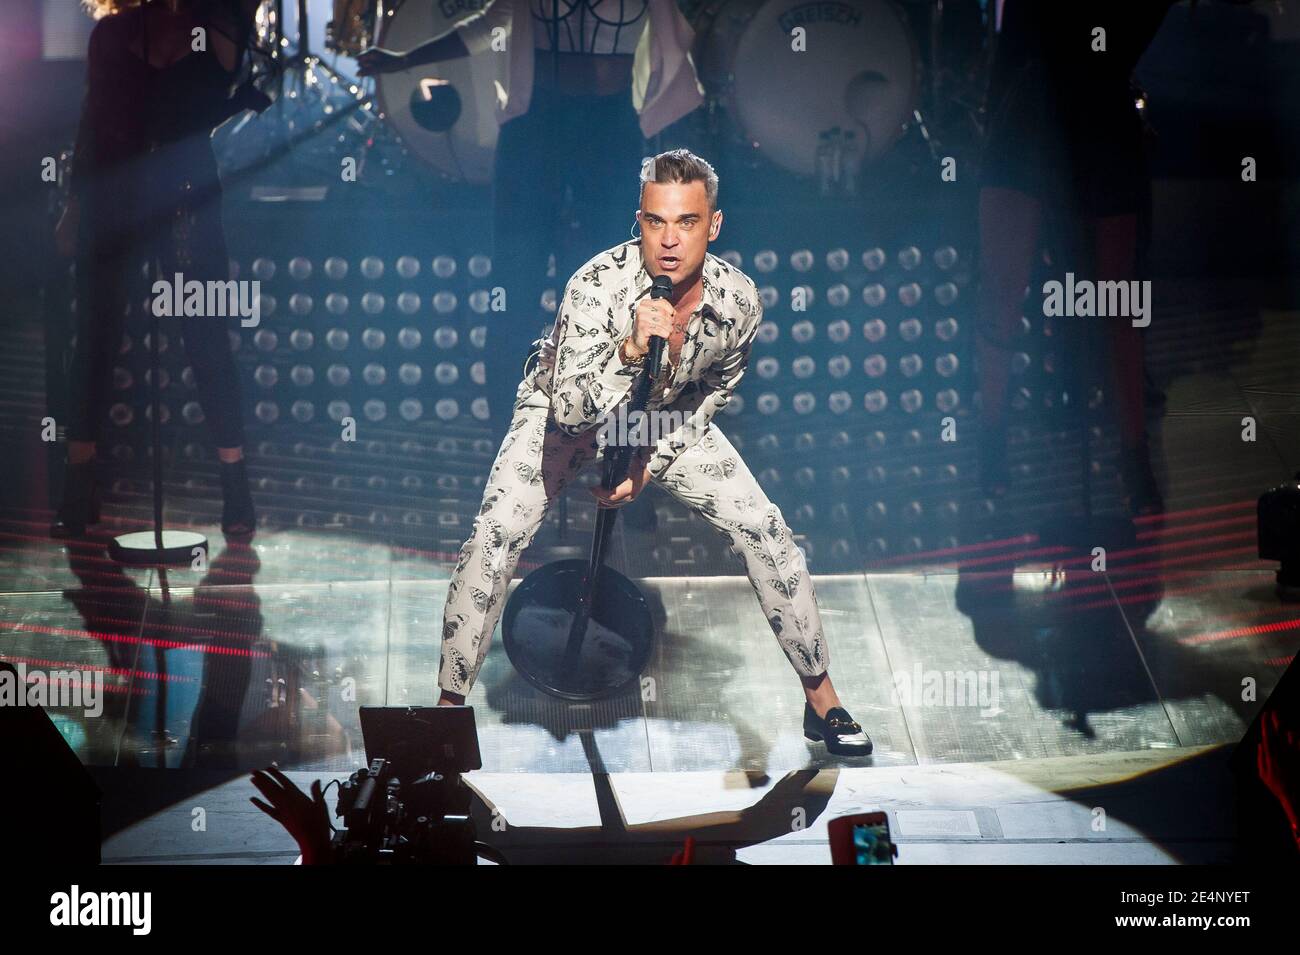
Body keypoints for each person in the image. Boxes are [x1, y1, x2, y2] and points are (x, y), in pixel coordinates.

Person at [435, 149, 872, 757]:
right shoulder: (594, 285)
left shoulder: (739, 301)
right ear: (638, 221)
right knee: (495, 533)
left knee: (764, 528)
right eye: (655, 222)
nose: (669, 241)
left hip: (662, 417)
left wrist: (645, 458)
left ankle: (822, 699)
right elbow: (572, 411)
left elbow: (715, 389)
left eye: (686, 222)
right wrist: (632, 349)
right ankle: (446, 713)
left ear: (713, 225)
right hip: (566, 408)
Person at [357, 0, 704, 455]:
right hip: (538, 125)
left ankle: (607, 439)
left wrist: (655, 125)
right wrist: (405, 59)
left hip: (608, 128)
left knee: (614, 286)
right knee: (514, 281)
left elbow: (678, 39)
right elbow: (487, 24)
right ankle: (508, 437)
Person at [52, 0, 267, 537]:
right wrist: (74, 207)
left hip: (186, 196)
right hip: (113, 196)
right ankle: (79, 484)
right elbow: (91, 122)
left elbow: (221, 77)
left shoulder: (218, 26)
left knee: (206, 336)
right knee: (95, 336)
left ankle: (235, 483)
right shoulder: (113, 33)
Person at [975, 0, 1178, 516]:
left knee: (1116, 299)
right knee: (1003, 289)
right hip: (1027, 106)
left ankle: (1133, 455)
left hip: (1098, 106)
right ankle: (991, 439)